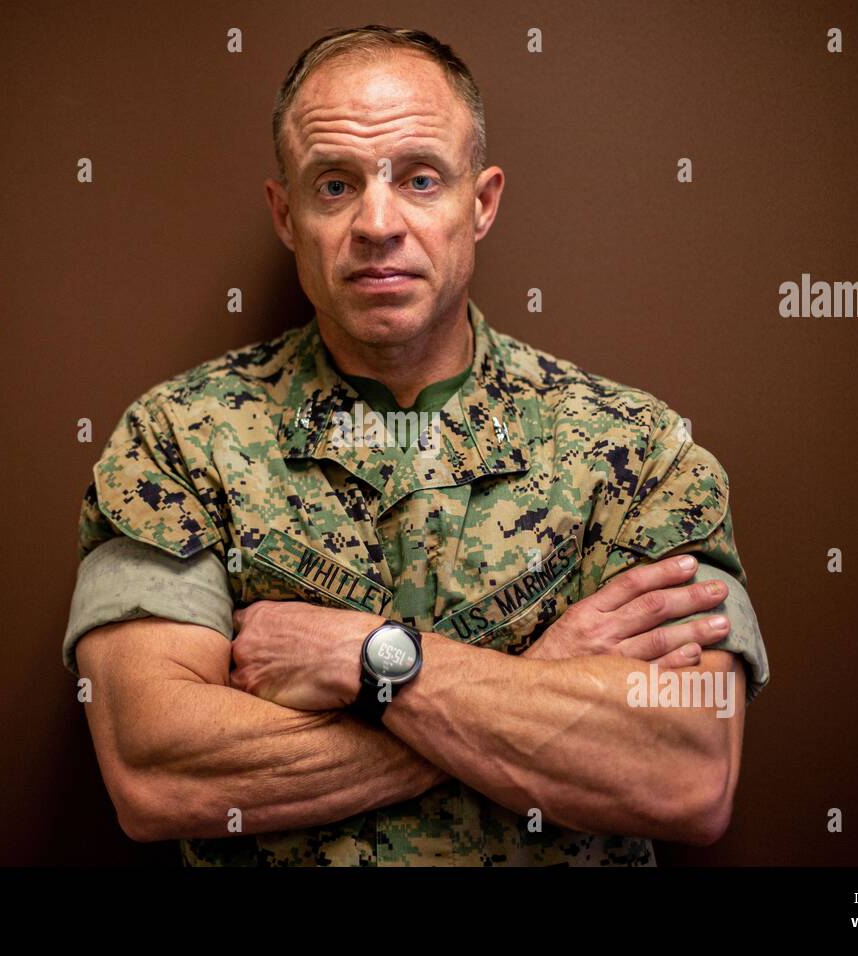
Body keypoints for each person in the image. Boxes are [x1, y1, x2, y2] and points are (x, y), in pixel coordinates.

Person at [63, 25, 770, 866]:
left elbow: (687, 771)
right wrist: (532, 683)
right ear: (286, 215)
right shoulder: (177, 441)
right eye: (335, 185)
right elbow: (155, 771)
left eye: (421, 178)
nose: (377, 223)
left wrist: (362, 660)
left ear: (482, 200)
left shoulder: (639, 449)